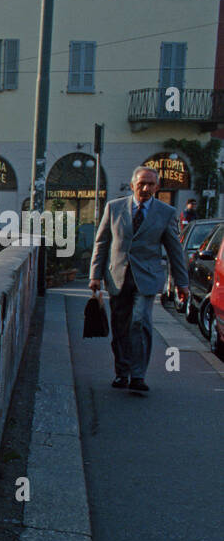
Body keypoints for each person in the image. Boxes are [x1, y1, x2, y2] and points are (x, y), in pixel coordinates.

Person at [88, 166, 189, 394]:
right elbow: (101, 243)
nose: (146, 188)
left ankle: (138, 375)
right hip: (117, 277)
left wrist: (182, 283)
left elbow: (175, 250)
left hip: (147, 278)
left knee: (140, 321)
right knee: (120, 326)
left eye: (151, 184)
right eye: (142, 183)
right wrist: (95, 275)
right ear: (132, 184)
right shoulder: (114, 208)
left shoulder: (166, 212)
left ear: (157, 187)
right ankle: (122, 373)